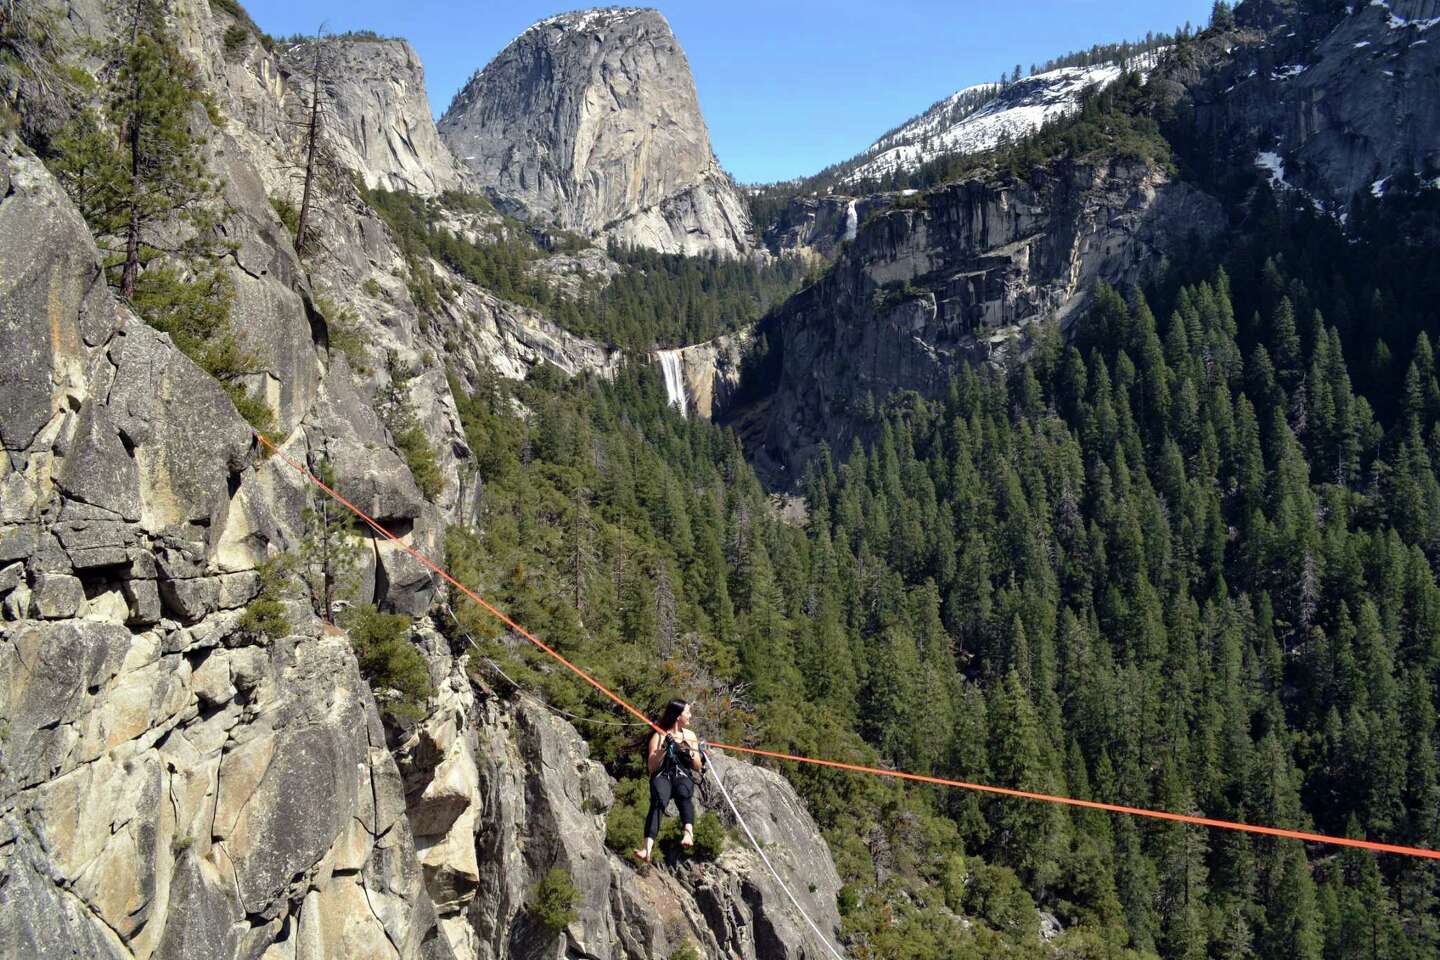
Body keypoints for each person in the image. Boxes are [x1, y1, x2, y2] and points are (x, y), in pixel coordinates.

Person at [634, 699, 704, 864]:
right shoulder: (659, 736)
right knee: (659, 800)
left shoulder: (690, 736)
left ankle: (688, 833)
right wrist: (664, 747)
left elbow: (697, 766)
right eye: (688, 712)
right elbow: (652, 767)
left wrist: (690, 752)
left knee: (683, 793)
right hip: (663, 774)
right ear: (678, 716)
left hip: (681, 774)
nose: (690, 715)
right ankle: (647, 849)